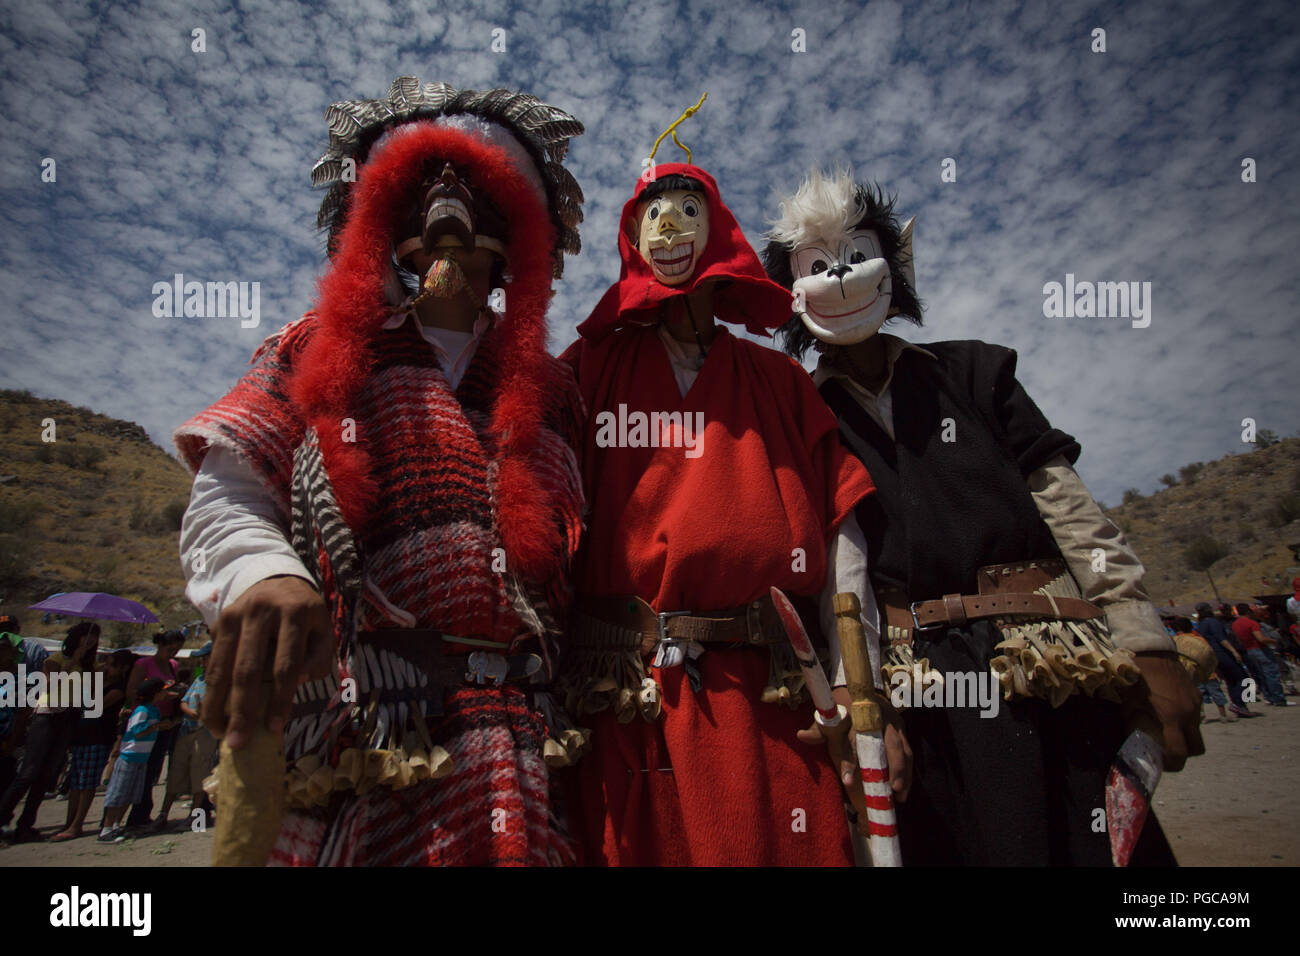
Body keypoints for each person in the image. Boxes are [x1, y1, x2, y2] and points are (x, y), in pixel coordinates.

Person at [174, 79, 588, 865]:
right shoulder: (314, 350)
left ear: (519, 234)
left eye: (476, 197)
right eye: (424, 194)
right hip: (375, 731)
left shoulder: (556, 390)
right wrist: (263, 573)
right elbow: (230, 488)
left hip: (534, 742)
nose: (449, 220)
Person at [762, 166, 1203, 865]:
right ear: (792, 291)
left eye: (855, 257)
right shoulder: (804, 415)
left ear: (891, 270)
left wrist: (1146, 642)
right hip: (924, 692)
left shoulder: (976, 373)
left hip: (1051, 663)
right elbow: (843, 578)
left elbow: (1070, 508)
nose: (841, 281)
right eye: (819, 267)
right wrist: (869, 712)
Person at [560, 118, 890, 866]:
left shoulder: (777, 381)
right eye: (651, 213)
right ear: (631, 239)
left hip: (771, 698)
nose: (669, 226)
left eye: (687, 210)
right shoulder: (587, 370)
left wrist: (856, 693)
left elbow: (844, 536)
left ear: (719, 233)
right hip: (628, 694)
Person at [0, 621, 99, 843]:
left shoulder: (88, 666)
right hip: (47, 715)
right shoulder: (54, 660)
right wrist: (73, 660)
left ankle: (26, 825)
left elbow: (88, 695)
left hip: (69, 717)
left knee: (46, 775)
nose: (90, 640)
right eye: (86, 636)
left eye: (93, 637)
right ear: (77, 637)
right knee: (28, 772)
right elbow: (50, 686)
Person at [51, 648, 132, 841]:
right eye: (106, 663)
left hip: (99, 736)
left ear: (123, 668)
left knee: (87, 783)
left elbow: (96, 705)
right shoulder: (100, 682)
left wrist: (94, 682)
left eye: (112, 665)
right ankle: (69, 822)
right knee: (76, 782)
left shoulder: (119, 688)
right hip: (82, 734)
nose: (107, 668)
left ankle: (77, 824)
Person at [124, 630, 185, 828]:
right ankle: (124, 815)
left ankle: (142, 812)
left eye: (177, 649)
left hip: (165, 722)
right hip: (145, 721)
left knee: (152, 770)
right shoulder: (144, 665)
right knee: (137, 768)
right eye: (170, 649)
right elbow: (131, 692)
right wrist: (156, 696)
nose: (173, 653)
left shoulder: (173, 666)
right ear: (160, 645)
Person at [156, 642, 216, 829]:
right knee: (177, 772)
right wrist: (188, 711)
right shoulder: (199, 679)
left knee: (200, 776)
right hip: (186, 730)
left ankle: (195, 818)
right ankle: (162, 815)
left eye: (205, 659)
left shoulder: (221, 681)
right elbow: (184, 700)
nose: (202, 663)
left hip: (204, 733)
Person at [98, 679, 165, 844]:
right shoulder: (142, 710)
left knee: (130, 794)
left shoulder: (154, 710)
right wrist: (155, 727)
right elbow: (137, 731)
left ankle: (116, 825)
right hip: (129, 757)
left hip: (142, 758)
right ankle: (106, 829)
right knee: (118, 793)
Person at [1194, 603, 1256, 717]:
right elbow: (1221, 638)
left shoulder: (1200, 625)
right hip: (1222, 652)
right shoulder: (1212, 622)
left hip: (1211, 655)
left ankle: (1241, 706)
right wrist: (1234, 651)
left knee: (1230, 680)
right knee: (1244, 678)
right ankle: (1238, 703)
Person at [1232, 603, 1290, 706]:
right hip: (1260, 649)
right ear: (1248, 611)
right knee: (1271, 674)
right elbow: (1260, 638)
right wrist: (1274, 641)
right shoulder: (1252, 623)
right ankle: (1279, 698)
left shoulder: (1235, 624)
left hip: (1248, 650)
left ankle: (1268, 697)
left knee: (1261, 675)